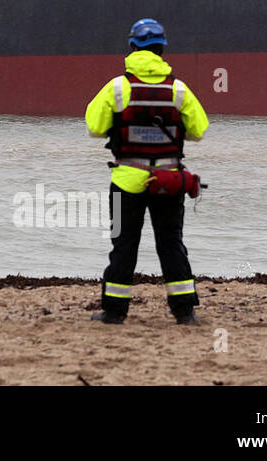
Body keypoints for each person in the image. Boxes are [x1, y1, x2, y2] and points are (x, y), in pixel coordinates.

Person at [85, 18, 209, 325]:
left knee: (122, 245)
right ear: (162, 49)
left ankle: (114, 313)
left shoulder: (117, 88)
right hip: (168, 182)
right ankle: (185, 313)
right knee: (171, 245)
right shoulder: (179, 90)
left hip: (125, 181)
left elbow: (94, 128)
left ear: (132, 47)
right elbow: (198, 131)